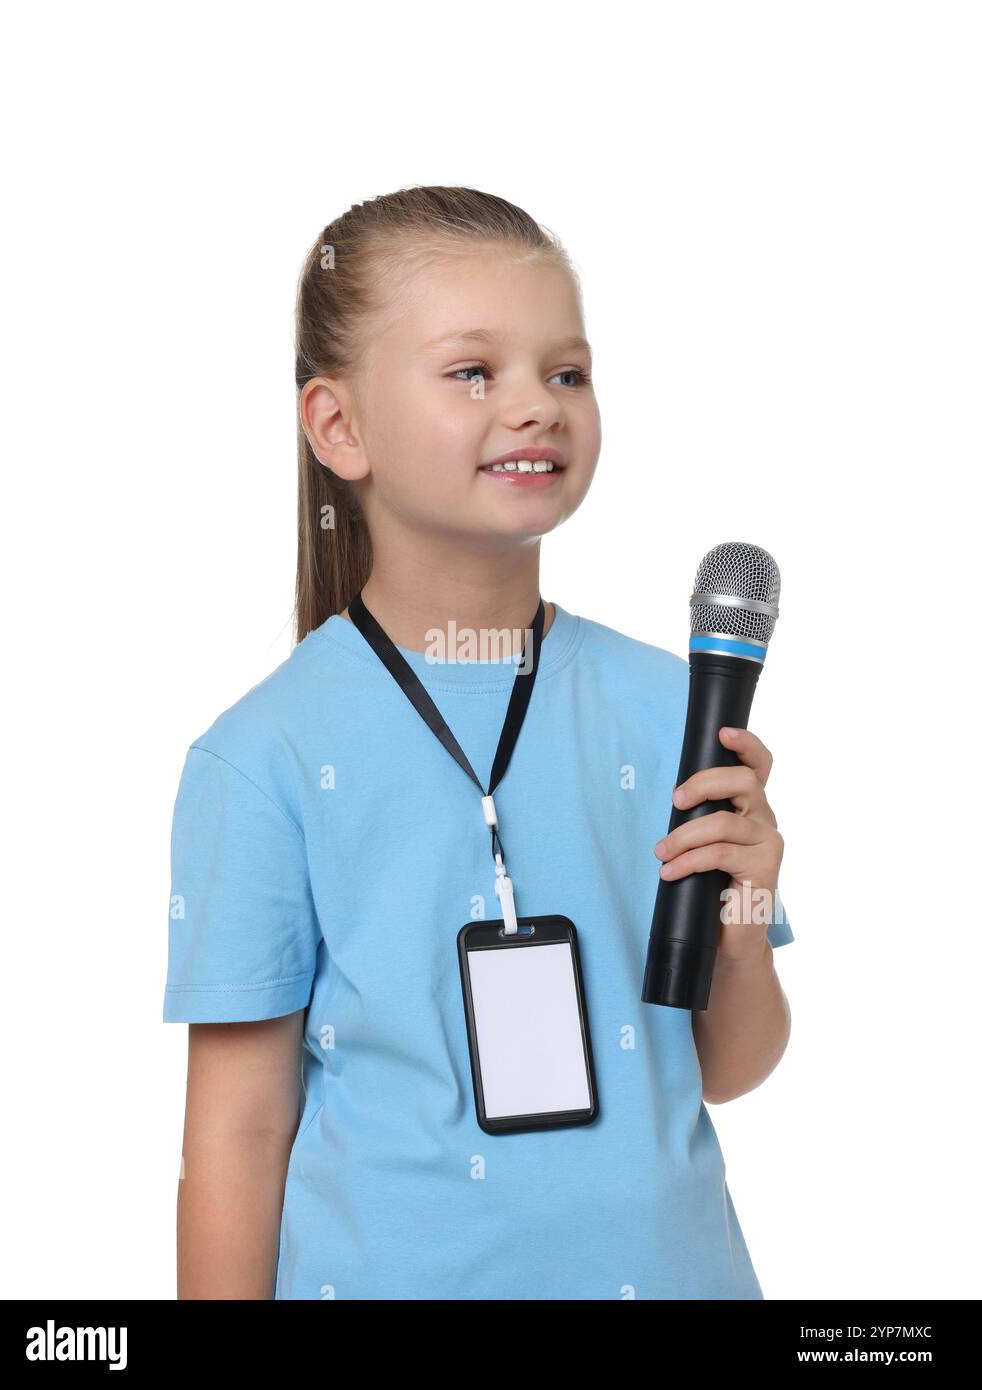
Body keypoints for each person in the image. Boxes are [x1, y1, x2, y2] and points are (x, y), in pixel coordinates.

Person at [162, 184, 795, 1301]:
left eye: (567, 372)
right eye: (473, 371)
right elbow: (238, 1132)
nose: (537, 406)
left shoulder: (673, 705)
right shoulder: (263, 755)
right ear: (338, 427)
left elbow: (728, 1068)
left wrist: (739, 924)